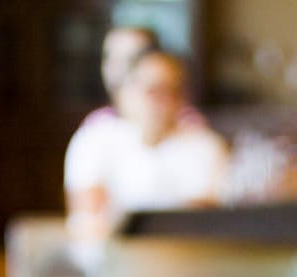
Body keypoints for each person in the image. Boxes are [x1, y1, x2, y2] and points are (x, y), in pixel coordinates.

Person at [64, 50, 229, 238]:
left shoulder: (206, 146)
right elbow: (87, 215)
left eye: (169, 90)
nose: (159, 100)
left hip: (185, 259)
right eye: (150, 89)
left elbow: (204, 218)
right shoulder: (95, 139)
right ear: (124, 91)